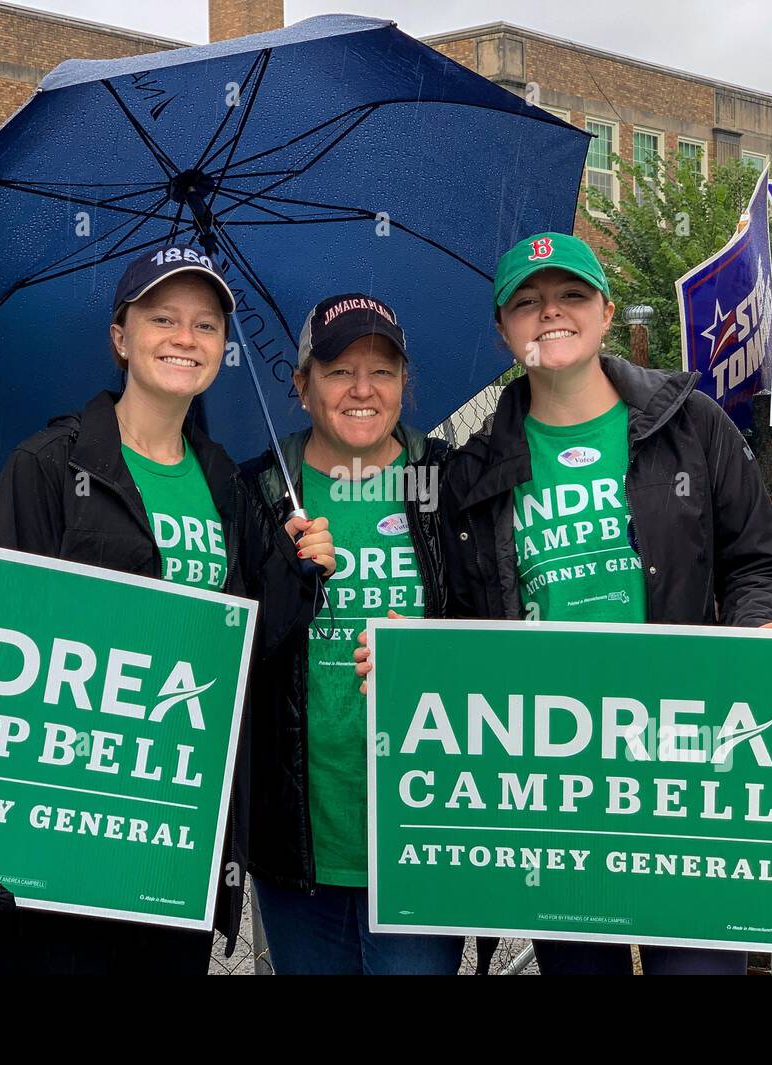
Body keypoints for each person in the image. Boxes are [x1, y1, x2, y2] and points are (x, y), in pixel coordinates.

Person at [357, 232, 772, 976]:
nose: (551, 313)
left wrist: (761, 647)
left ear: (606, 311)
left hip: (689, 767)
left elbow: (754, 562)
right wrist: (404, 655)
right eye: (528, 302)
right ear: (504, 330)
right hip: (559, 790)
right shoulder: (474, 472)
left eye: (571, 295)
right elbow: (458, 620)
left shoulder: (691, 425)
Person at [0, 241, 334, 975]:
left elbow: (251, 651)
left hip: (173, 840)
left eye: (206, 326)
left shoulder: (225, 483)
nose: (185, 338)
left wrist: (303, 573)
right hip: (59, 838)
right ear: (121, 337)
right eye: (163, 318)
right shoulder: (49, 465)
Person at [244, 293, 461, 974]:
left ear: (405, 383)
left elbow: (503, 626)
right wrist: (284, 574)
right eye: (339, 370)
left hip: (425, 833)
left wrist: (429, 651)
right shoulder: (257, 490)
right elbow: (230, 652)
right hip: (301, 837)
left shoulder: (449, 480)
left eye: (383, 370)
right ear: (302, 384)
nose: (362, 390)